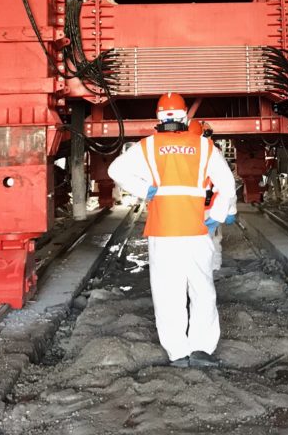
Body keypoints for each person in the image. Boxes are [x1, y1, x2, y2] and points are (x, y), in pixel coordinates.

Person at [108, 93, 235, 368]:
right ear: (184, 117)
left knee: (168, 292)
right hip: (197, 230)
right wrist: (217, 215)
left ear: (158, 117)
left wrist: (144, 190)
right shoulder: (203, 146)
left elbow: (115, 169)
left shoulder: (148, 146)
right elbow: (227, 184)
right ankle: (202, 349)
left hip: (163, 231)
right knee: (202, 289)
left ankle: (177, 352)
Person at [189, 120, 238, 271]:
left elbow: (226, 184)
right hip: (207, 207)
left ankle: (208, 270)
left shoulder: (186, 152)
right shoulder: (212, 152)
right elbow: (227, 184)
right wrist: (231, 210)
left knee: (207, 242)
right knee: (211, 242)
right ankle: (211, 270)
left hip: (197, 207)